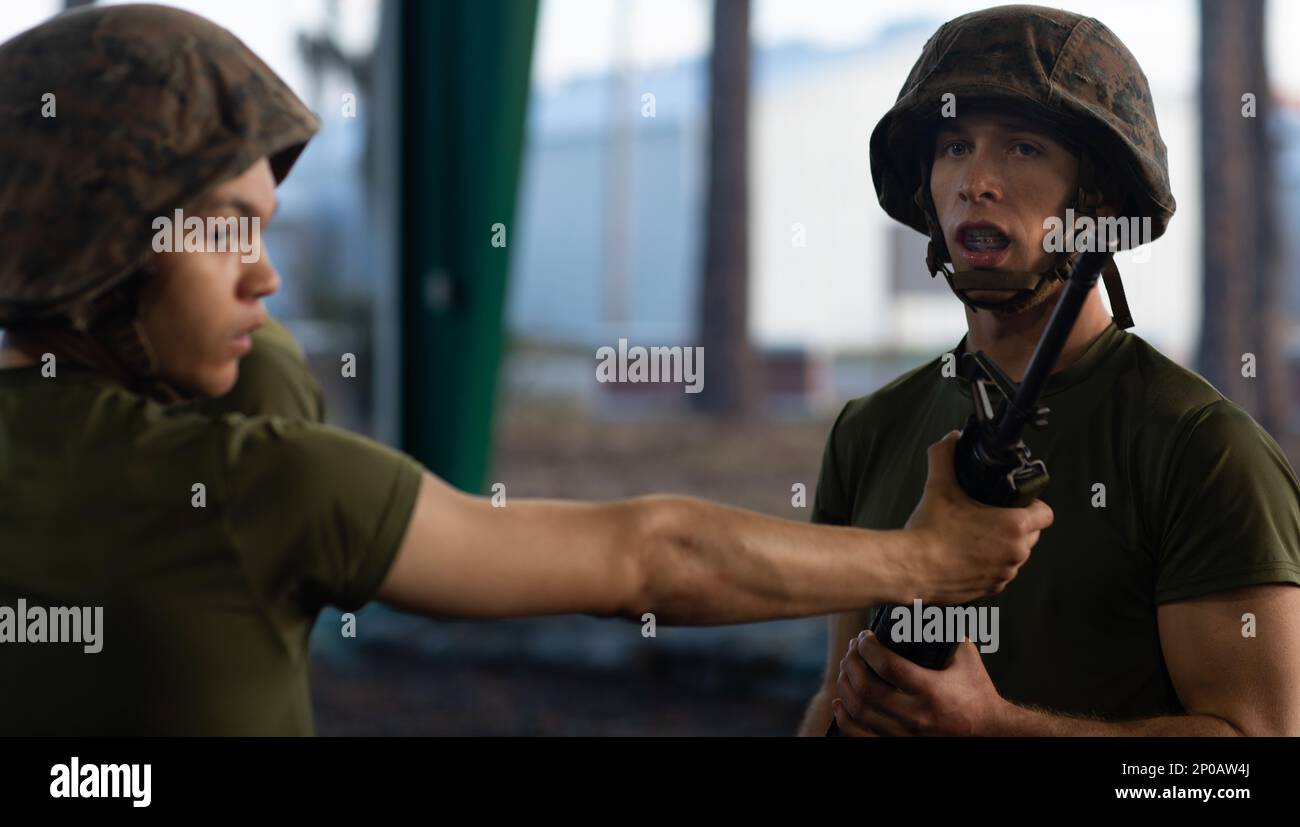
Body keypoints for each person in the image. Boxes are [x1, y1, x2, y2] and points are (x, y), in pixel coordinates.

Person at [0, 4, 1051, 735]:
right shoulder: (259, 483)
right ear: (104, 239)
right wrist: (925, 560)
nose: (265, 277)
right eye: (228, 228)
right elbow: (652, 559)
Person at [802, 4, 1300, 737]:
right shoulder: (868, 431)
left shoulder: (1203, 449)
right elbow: (837, 702)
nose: (976, 181)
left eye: (1023, 147)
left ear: (1098, 200)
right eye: (954, 147)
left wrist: (997, 727)